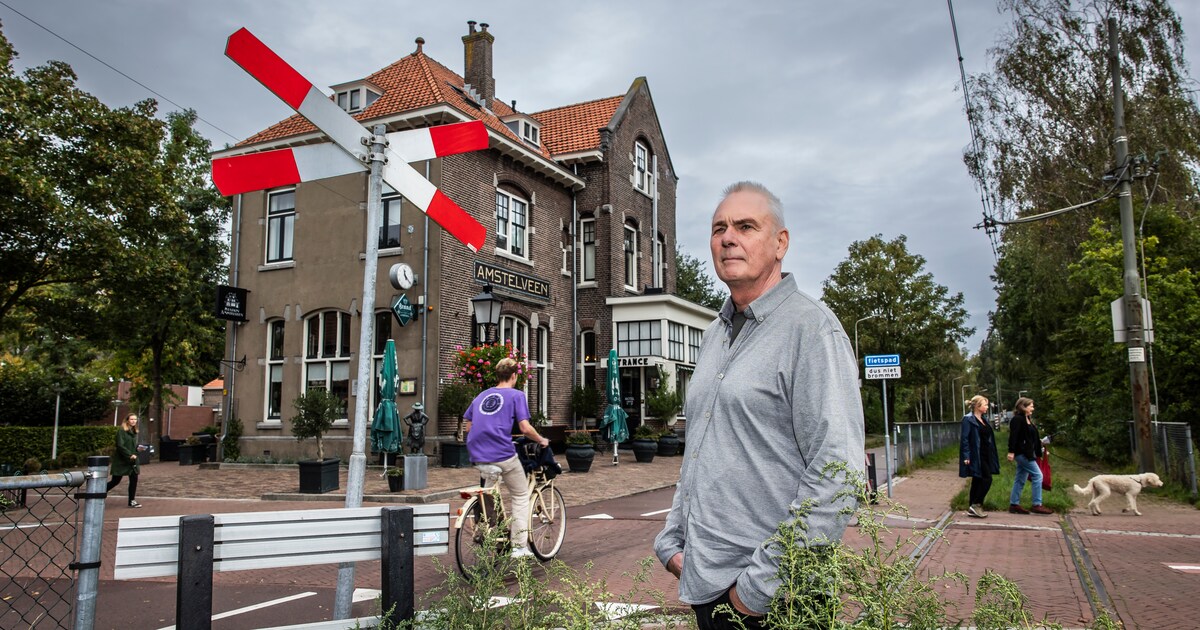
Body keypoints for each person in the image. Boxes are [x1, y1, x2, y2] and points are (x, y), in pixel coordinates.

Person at [653, 182, 866, 628]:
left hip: (773, 602)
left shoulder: (812, 331)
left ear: (780, 243)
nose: (728, 237)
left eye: (746, 226)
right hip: (707, 586)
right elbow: (702, 447)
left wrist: (755, 592)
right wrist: (672, 543)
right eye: (719, 228)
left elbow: (838, 477)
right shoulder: (714, 334)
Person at [463, 357, 550, 559]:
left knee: (489, 495)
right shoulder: (516, 395)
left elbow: (468, 423)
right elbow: (525, 428)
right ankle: (519, 547)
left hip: (477, 454)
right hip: (501, 453)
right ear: (514, 376)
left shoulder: (482, 395)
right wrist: (541, 439)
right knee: (520, 496)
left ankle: (488, 532)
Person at [1006, 397, 1053, 514]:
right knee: (1038, 476)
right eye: (1031, 406)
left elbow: (1032, 439)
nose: (1033, 408)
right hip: (1022, 454)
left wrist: (1041, 450)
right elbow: (1013, 437)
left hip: (1028, 453)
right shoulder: (1017, 420)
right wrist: (1011, 451)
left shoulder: (1028, 419)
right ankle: (1037, 504)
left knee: (1020, 478)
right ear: (1023, 406)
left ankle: (1014, 504)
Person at [959, 395, 999, 518]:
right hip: (976, 454)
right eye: (985, 405)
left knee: (978, 479)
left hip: (987, 453)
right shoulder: (968, 419)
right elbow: (965, 439)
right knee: (987, 479)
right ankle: (976, 504)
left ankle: (973, 505)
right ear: (977, 406)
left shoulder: (984, 419)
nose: (987, 407)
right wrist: (966, 455)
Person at [108, 413, 142, 508]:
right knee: (115, 481)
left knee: (134, 479)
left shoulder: (134, 432)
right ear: (127, 420)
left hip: (132, 461)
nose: (133, 421)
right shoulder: (122, 431)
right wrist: (129, 454)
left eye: (135, 419)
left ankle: (132, 500)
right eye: (131, 419)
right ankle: (100, 493)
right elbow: (120, 445)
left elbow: (133, 445)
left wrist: (138, 450)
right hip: (122, 460)